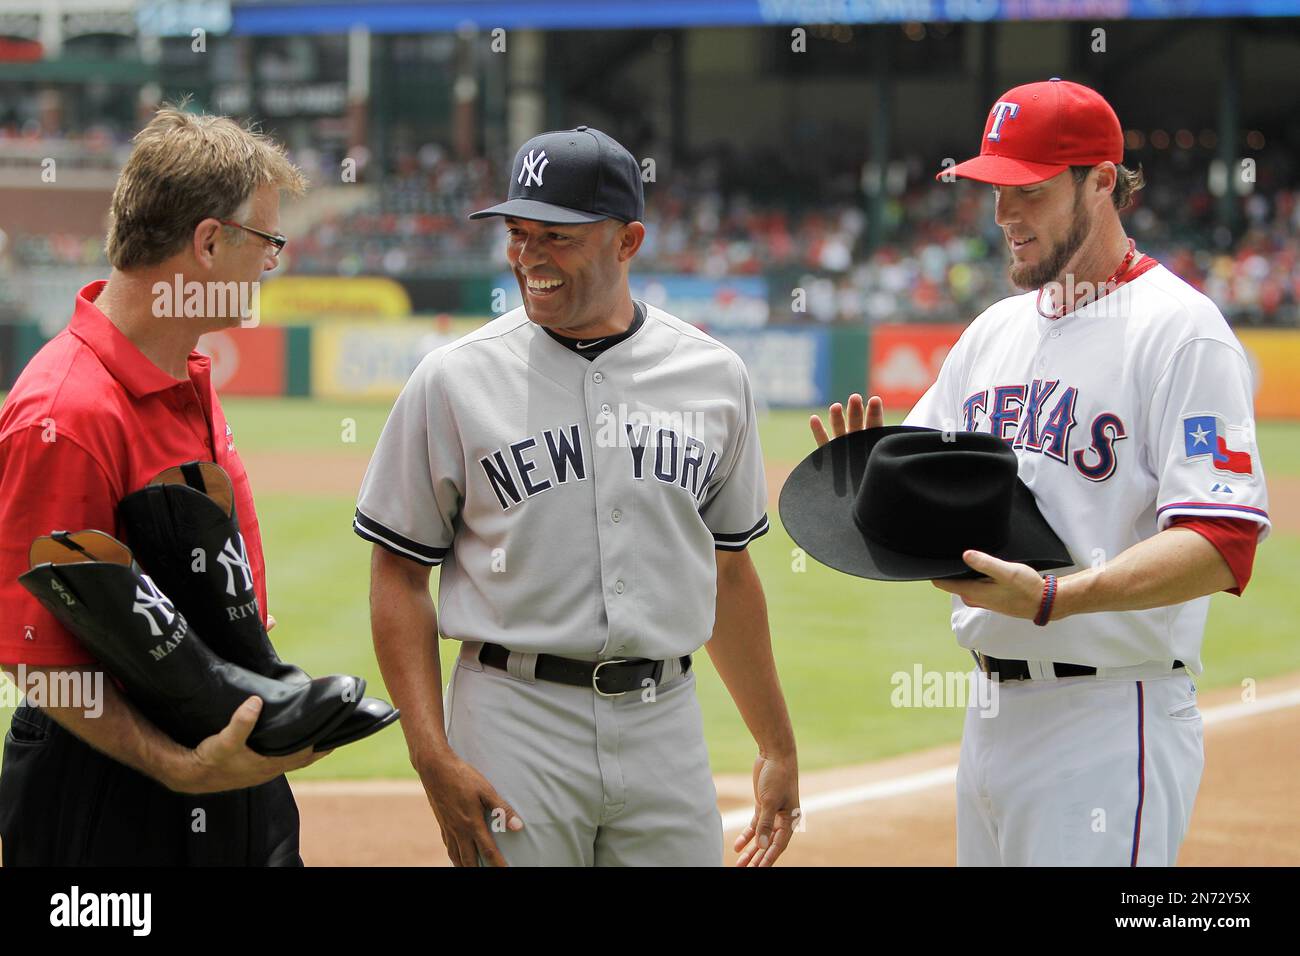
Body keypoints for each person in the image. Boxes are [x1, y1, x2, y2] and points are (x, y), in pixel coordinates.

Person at [811, 79, 1269, 866]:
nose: (1002, 216)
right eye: (993, 190)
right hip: (989, 715)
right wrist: (872, 493)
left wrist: (1058, 597)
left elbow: (1222, 540)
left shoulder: (1182, 331)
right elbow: (930, 490)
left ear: (1100, 180)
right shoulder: (993, 333)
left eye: (1026, 190)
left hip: (1106, 713)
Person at [356, 126, 799, 867]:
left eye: (556, 236)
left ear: (628, 242)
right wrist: (429, 755)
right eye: (517, 232)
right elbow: (398, 573)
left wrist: (776, 745)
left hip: (665, 721)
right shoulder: (454, 378)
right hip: (512, 715)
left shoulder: (714, 376)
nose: (529, 256)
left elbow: (729, 572)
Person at [0, 106, 330, 865]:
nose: (274, 263)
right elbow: (36, 660)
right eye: (268, 242)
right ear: (209, 243)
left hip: (220, 755)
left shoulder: (184, 372)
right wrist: (178, 769)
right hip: (113, 793)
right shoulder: (66, 411)